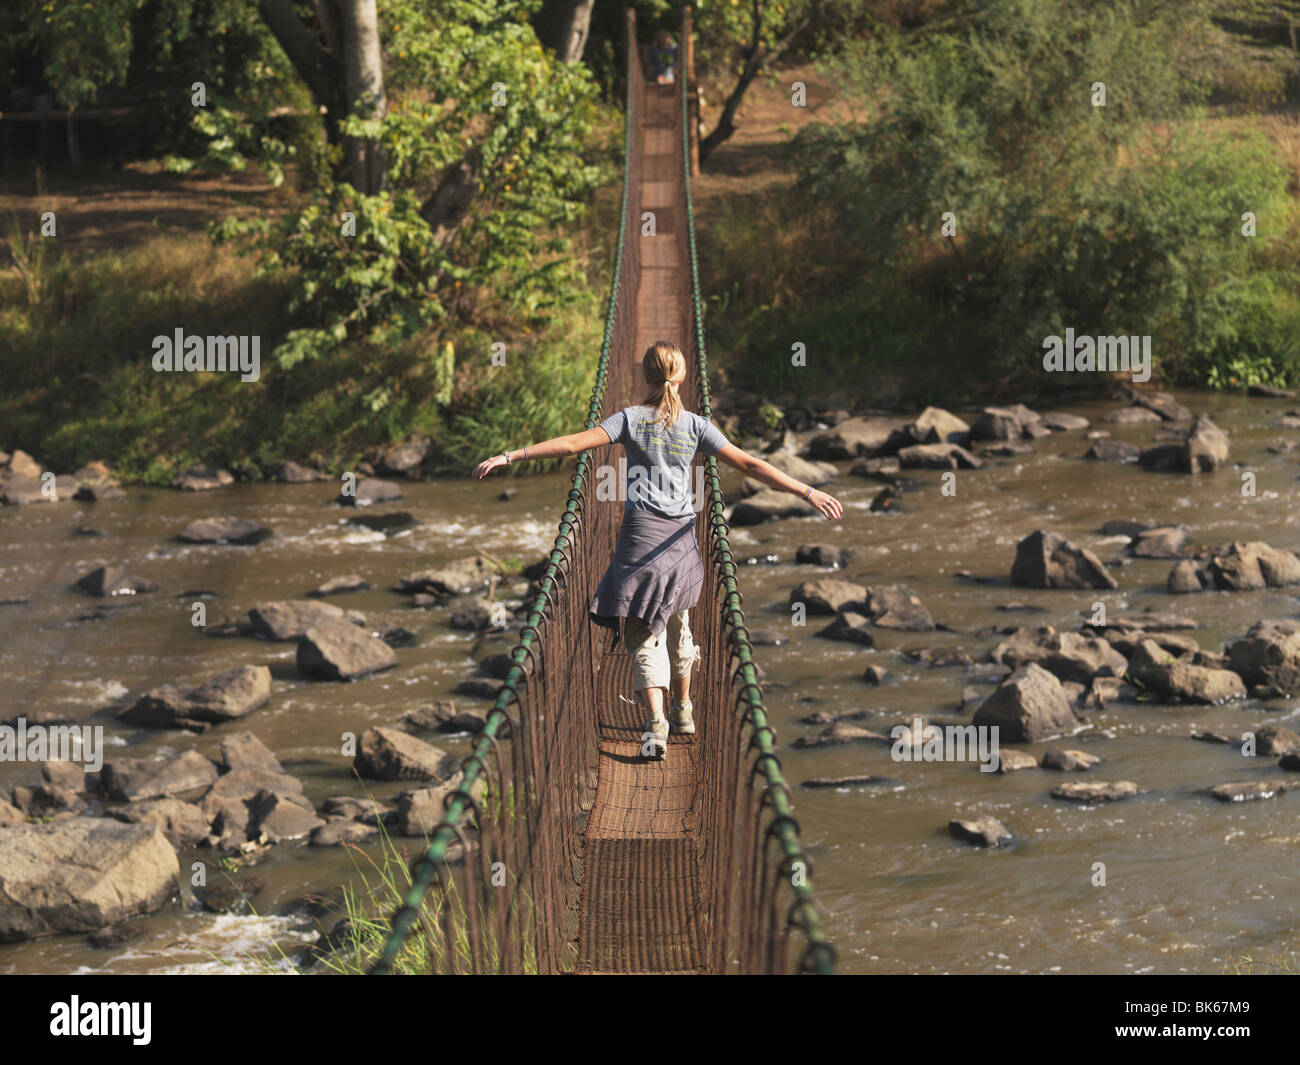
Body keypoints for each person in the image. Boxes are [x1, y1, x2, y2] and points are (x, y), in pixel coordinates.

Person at [472, 340, 843, 762]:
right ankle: (683, 711)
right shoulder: (697, 425)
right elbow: (751, 465)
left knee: (644, 638)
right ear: (682, 376)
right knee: (680, 625)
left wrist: (511, 455)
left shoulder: (629, 419)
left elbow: (575, 444)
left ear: (646, 377)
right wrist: (806, 490)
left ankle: (655, 725)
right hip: (681, 542)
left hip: (638, 540)